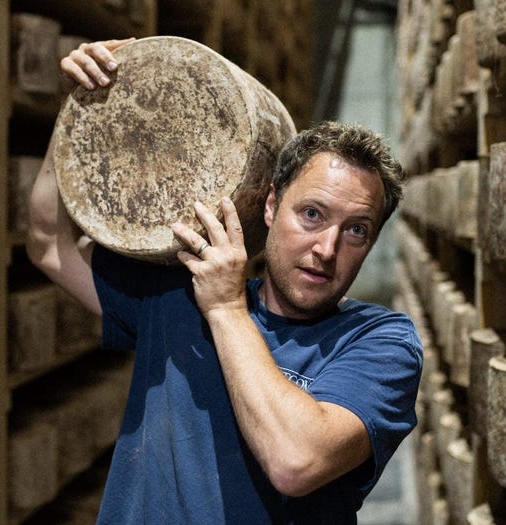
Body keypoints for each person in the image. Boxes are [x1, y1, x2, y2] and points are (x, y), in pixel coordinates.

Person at [27, 39, 423, 525]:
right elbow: (48, 243)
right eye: (312, 214)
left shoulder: (381, 343)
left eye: (356, 230)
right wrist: (74, 112)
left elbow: (297, 462)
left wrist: (227, 310)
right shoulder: (177, 296)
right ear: (272, 205)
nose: (327, 248)